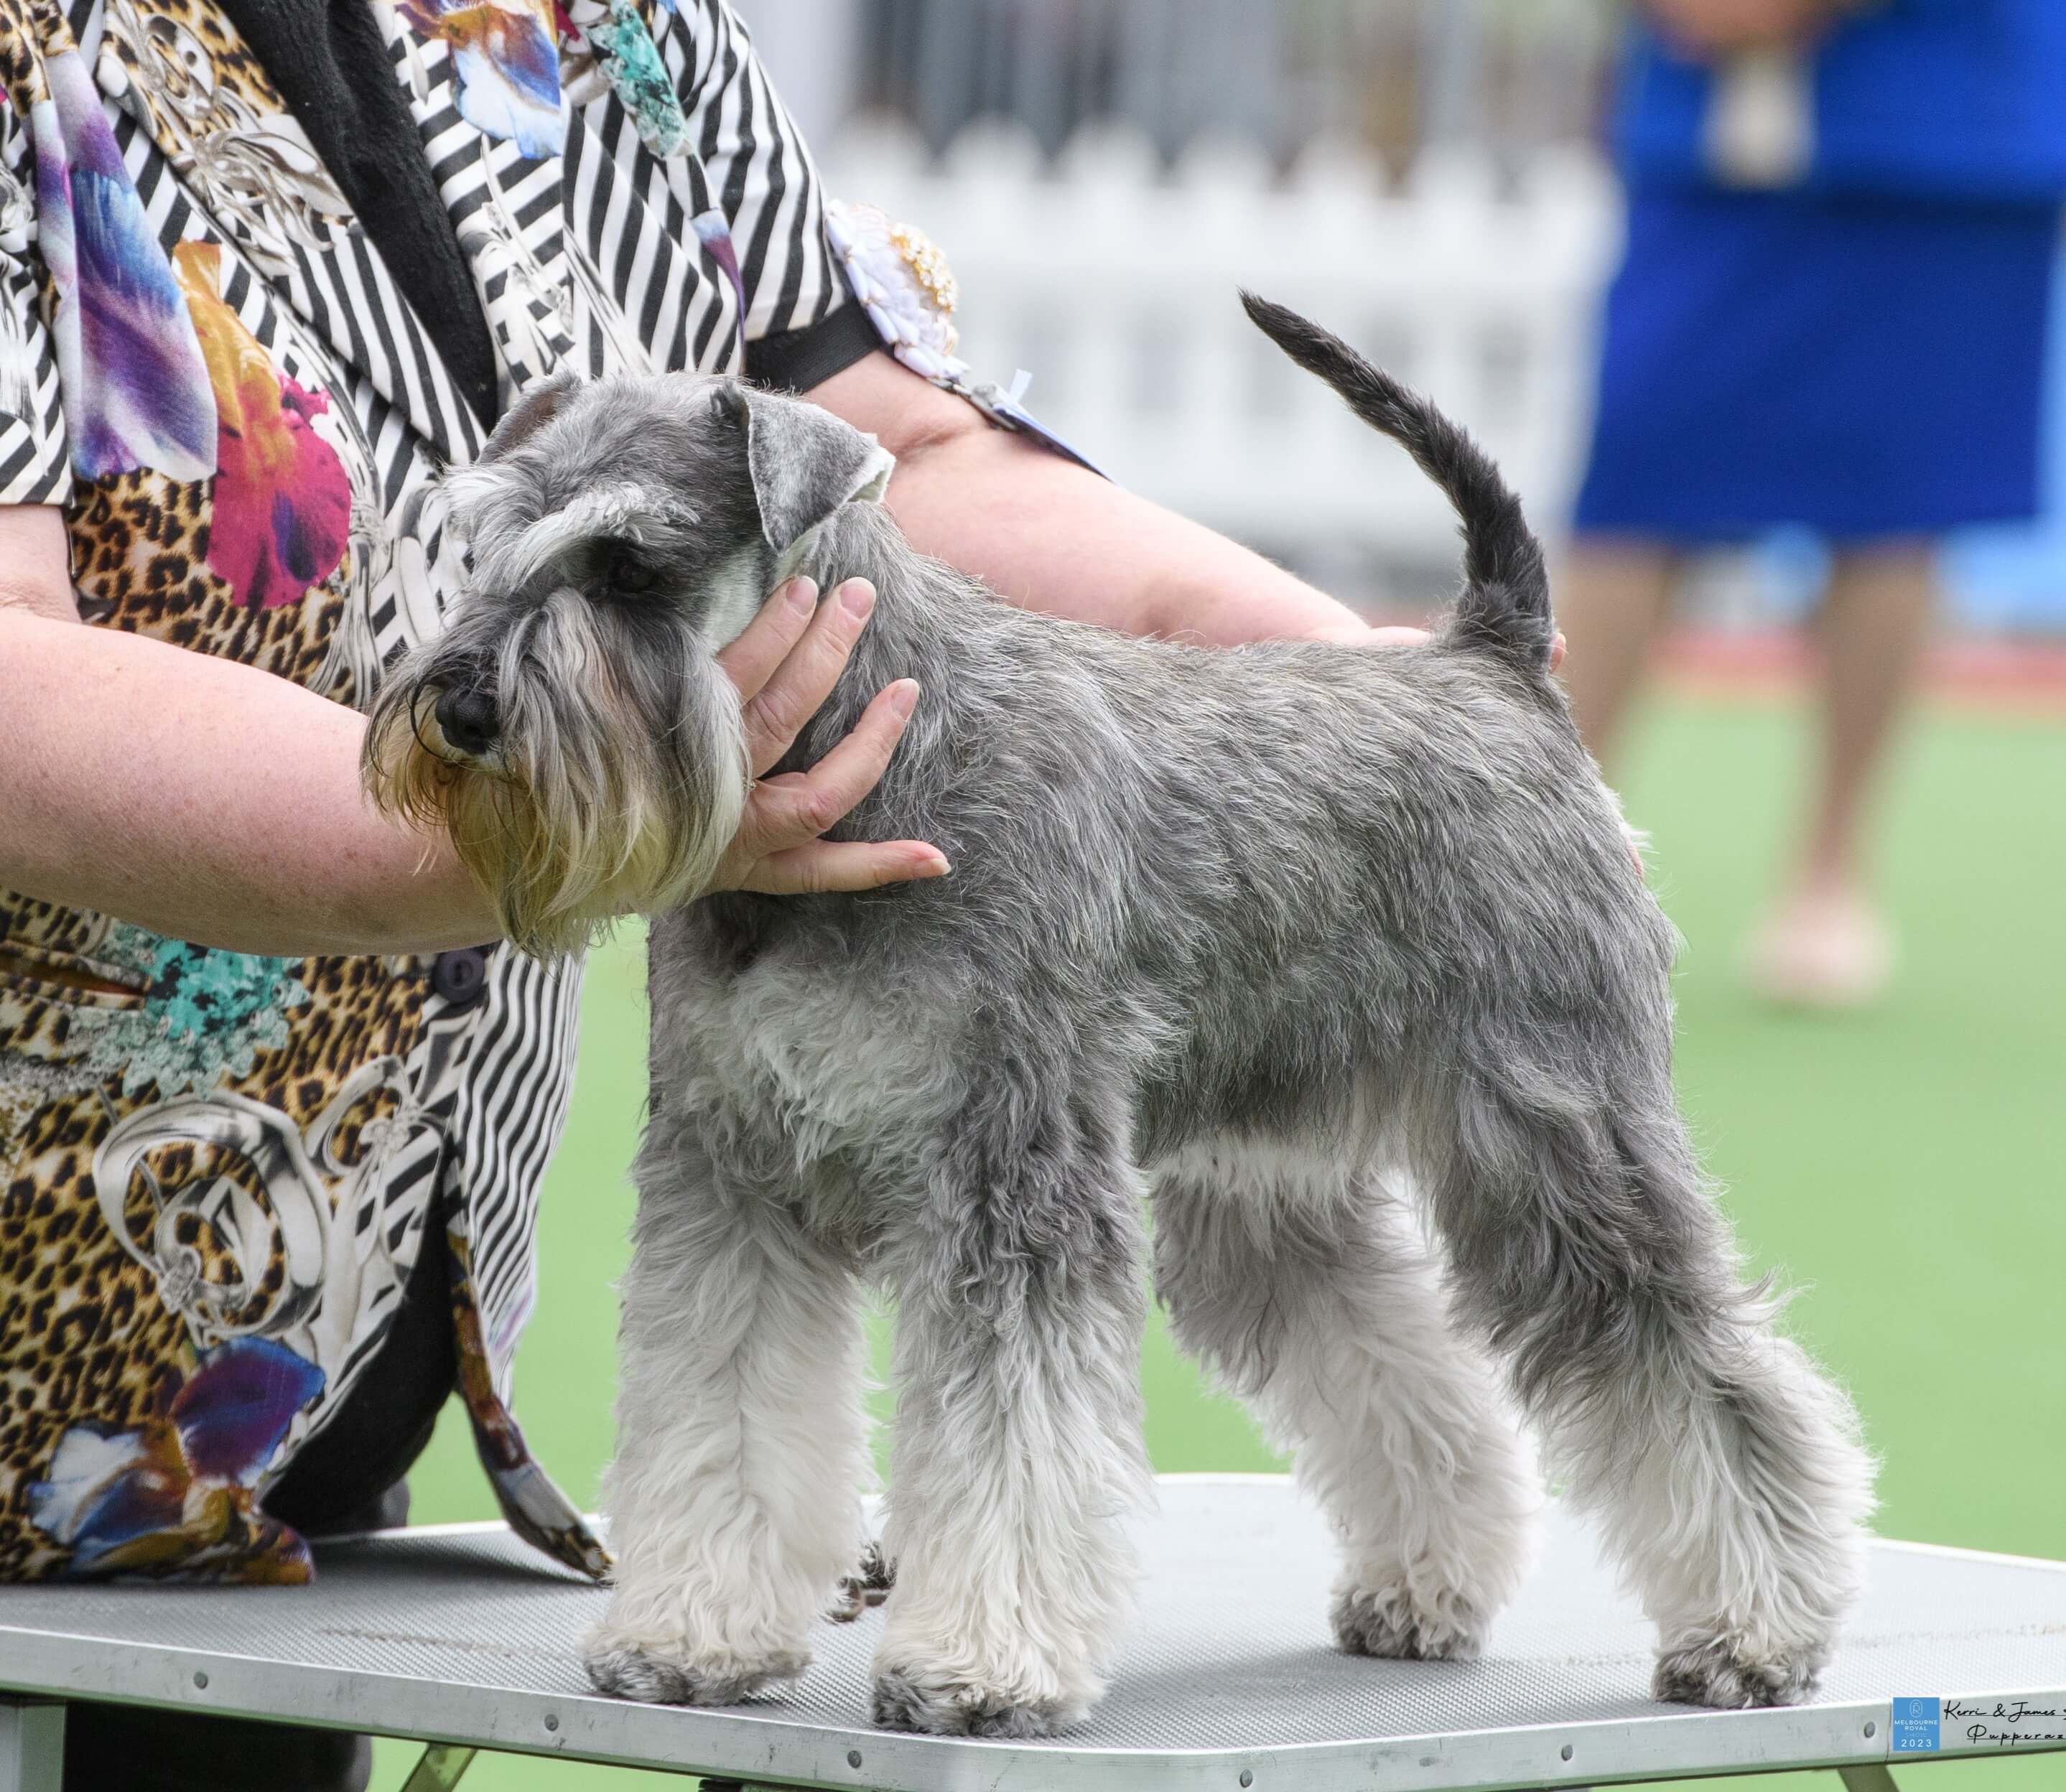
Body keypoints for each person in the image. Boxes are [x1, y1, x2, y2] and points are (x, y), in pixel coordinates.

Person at [0, 1, 1449, 1786]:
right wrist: (526, 823)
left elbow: (891, 457)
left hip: (310, 1380)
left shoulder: (617, 15)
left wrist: (1336, 691)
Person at [1558, 0, 2066, 1005]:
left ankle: (1830, 872)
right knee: (1636, 480)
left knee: (1895, 501)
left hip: (1942, 126)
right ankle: (1536, 847)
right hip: (1706, 115)